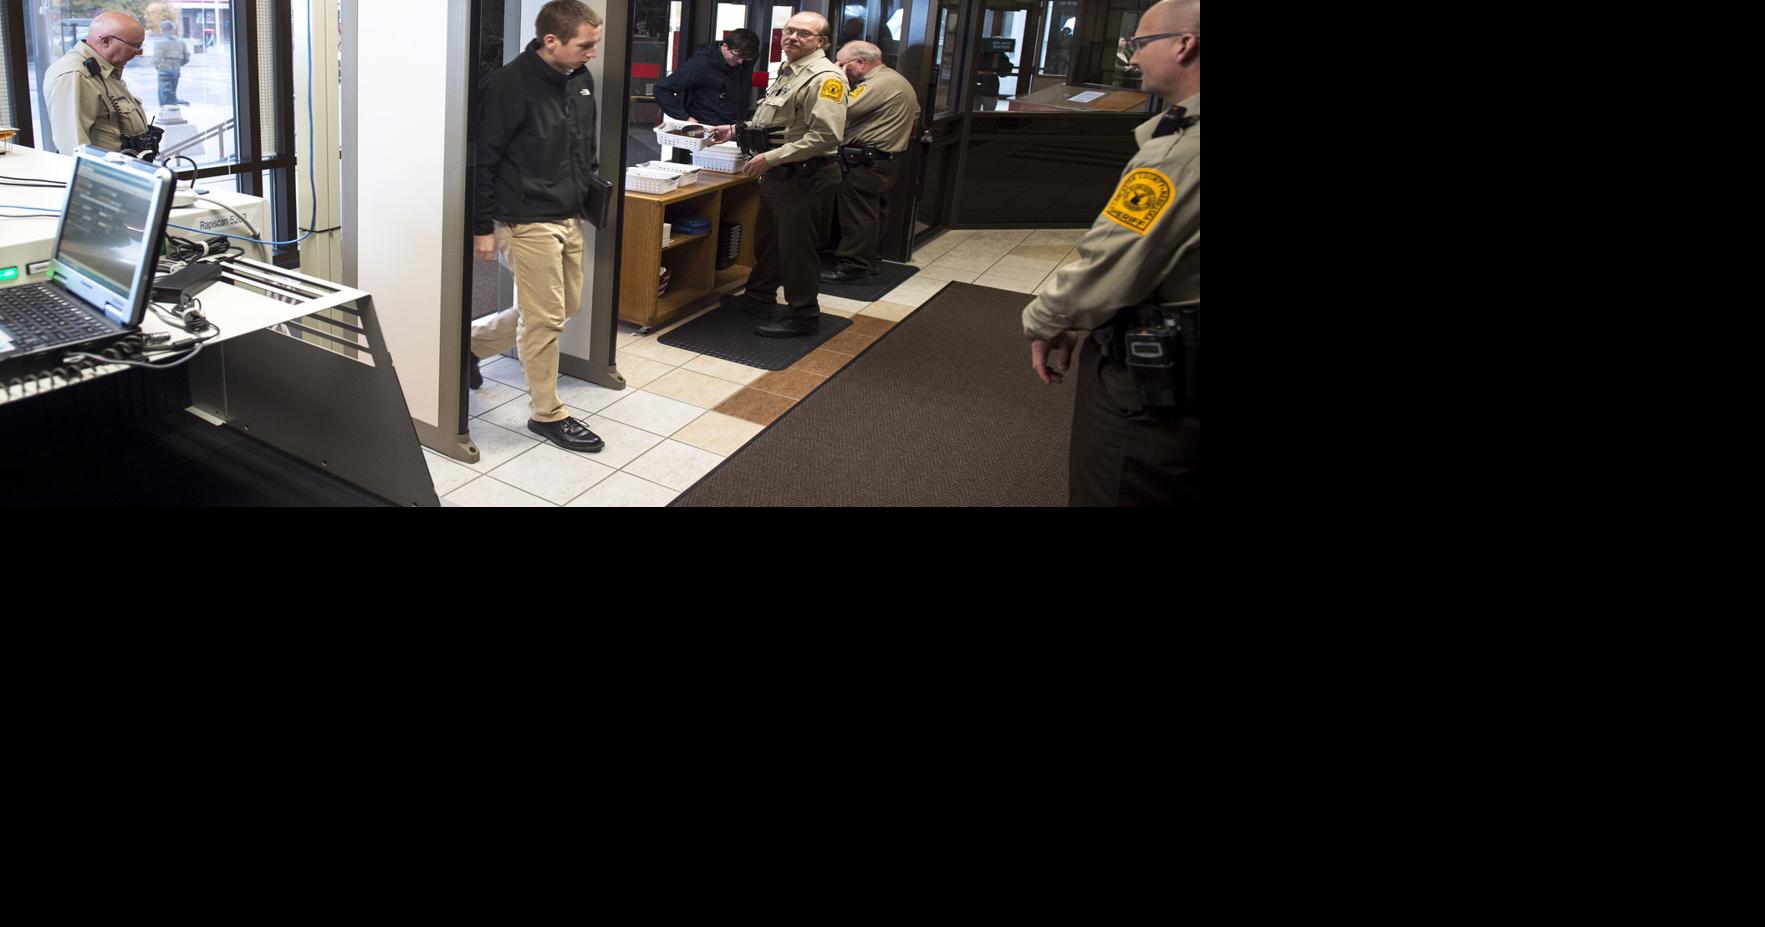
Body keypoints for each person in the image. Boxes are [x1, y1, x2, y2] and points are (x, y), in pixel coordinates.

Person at [1021, 0, 1199, 506]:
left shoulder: (1180, 153)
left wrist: (1047, 318)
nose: (1132, 60)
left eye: (1139, 45)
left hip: (1157, 390)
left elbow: (1110, 261)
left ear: (1184, 44)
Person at [467, 0, 606, 453]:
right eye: (585, 45)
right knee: (545, 319)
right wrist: (482, 226)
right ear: (552, 41)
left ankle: (467, 345)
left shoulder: (579, 80)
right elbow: (482, 161)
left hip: (568, 214)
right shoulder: (509, 85)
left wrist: (589, 191)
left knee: (565, 306)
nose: (592, 53)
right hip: (525, 220)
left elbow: (584, 143)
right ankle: (547, 414)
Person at [706, 12, 846, 338]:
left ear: (821, 42)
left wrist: (770, 158)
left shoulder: (825, 79)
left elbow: (825, 136)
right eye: (789, 31)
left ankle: (804, 315)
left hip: (806, 177)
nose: (793, 37)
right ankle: (759, 297)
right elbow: (777, 124)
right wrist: (735, 131)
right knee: (769, 242)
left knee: (797, 250)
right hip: (782, 175)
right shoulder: (788, 71)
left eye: (804, 34)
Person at [822, 41, 918, 284]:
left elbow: (838, 109)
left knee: (857, 215)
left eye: (843, 64)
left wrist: (837, 78)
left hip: (865, 162)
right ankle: (869, 261)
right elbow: (915, 113)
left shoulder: (878, 84)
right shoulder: (895, 80)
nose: (839, 67)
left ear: (860, 63)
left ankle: (853, 268)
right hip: (883, 159)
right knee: (873, 212)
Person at [42, 11, 151, 154]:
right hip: (104, 174)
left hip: (123, 169)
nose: (139, 52)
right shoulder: (75, 75)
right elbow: (74, 149)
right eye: (134, 45)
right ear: (105, 41)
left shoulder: (104, 69)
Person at [652, 28, 759, 163]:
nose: (740, 62)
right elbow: (662, 89)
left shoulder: (745, 61)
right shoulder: (701, 64)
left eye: (745, 58)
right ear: (725, 46)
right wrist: (686, 118)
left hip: (735, 132)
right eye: (736, 56)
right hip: (708, 136)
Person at [153, 20, 190, 107]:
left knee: (164, 94)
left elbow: (156, 60)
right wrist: (178, 65)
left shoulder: (159, 43)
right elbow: (186, 58)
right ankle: (173, 105)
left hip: (164, 69)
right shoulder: (181, 42)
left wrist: (159, 68)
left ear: (163, 29)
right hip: (176, 69)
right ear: (173, 29)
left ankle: (166, 112)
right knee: (173, 90)